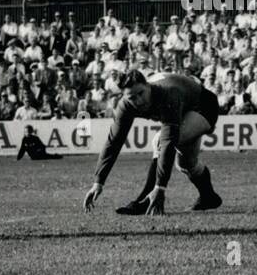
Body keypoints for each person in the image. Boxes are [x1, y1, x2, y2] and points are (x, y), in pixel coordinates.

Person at [82, 69, 222, 216]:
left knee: (159, 142)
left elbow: (168, 142)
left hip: (204, 106)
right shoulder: (125, 106)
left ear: (148, 86)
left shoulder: (168, 94)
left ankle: (144, 200)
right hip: (185, 106)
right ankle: (209, 197)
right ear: (124, 96)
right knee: (186, 164)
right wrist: (98, 182)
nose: (139, 101)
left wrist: (160, 188)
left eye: (141, 93)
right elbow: (114, 142)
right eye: (132, 97)